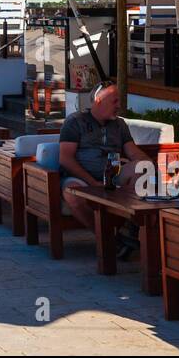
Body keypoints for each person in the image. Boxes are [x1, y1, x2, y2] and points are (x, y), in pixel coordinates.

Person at [58, 82, 149, 249]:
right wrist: (92, 182)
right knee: (73, 196)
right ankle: (109, 238)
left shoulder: (119, 125)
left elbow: (133, 153)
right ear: (99, 99)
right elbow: (66, 159)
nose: (119, 106)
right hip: (81, 177)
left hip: (113, 174)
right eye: (114, 101)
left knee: (142, 168)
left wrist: (153, 167)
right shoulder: (75, 121)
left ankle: (133, 230)